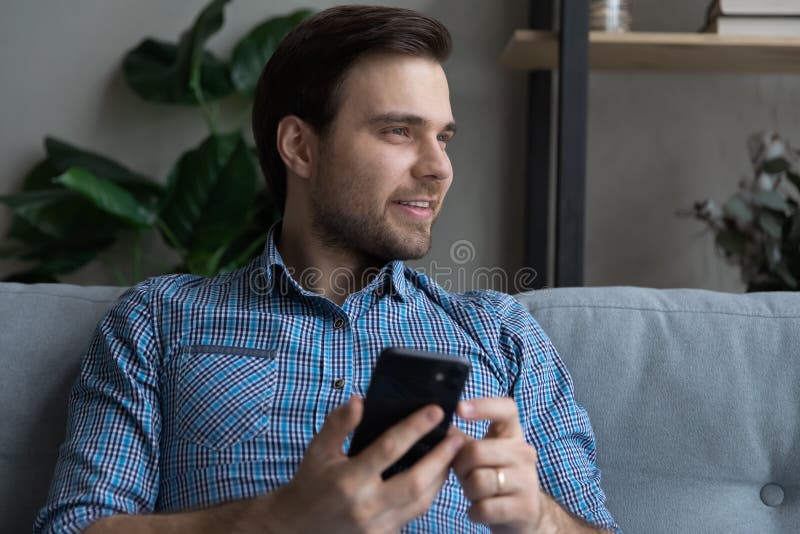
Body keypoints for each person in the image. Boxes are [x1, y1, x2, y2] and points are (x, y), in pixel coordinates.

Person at [34, 5, 620, 533]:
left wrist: (538, 518)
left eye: (443, 137)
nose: (439, 167)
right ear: (300, 146)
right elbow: (73, 527)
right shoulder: (160, 319)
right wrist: (278, 520)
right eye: (399, 131)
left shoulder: (501, 333)